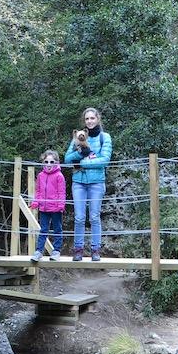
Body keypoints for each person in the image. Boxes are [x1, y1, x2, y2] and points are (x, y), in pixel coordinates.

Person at [64, 106, 112, 261]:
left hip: (96, 182)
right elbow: (67, 159)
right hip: (78, 182)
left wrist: (82, 162)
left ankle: (95, 250)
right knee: (79, 217)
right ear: (84, 121)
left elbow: (104, 160)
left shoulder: (105, 137)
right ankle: (78, 250)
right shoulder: (78, 136)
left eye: (92, 118)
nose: (90, 121)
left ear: (97, 119)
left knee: (94, 217)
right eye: (87, 119)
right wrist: (80, 153)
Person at [29, 149, 66, 261]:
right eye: (46, 162)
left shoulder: (59, 176)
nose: (49, 164)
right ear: (43, 162)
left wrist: (61, 204)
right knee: (43, 230)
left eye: (51, 162)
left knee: (57, 229)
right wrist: (36, 201)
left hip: (55, 208)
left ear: (56, 162)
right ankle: (39, 251)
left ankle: (56, 251)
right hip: (44, 208)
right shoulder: (40, 175)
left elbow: (62, 192)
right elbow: (38, 191)